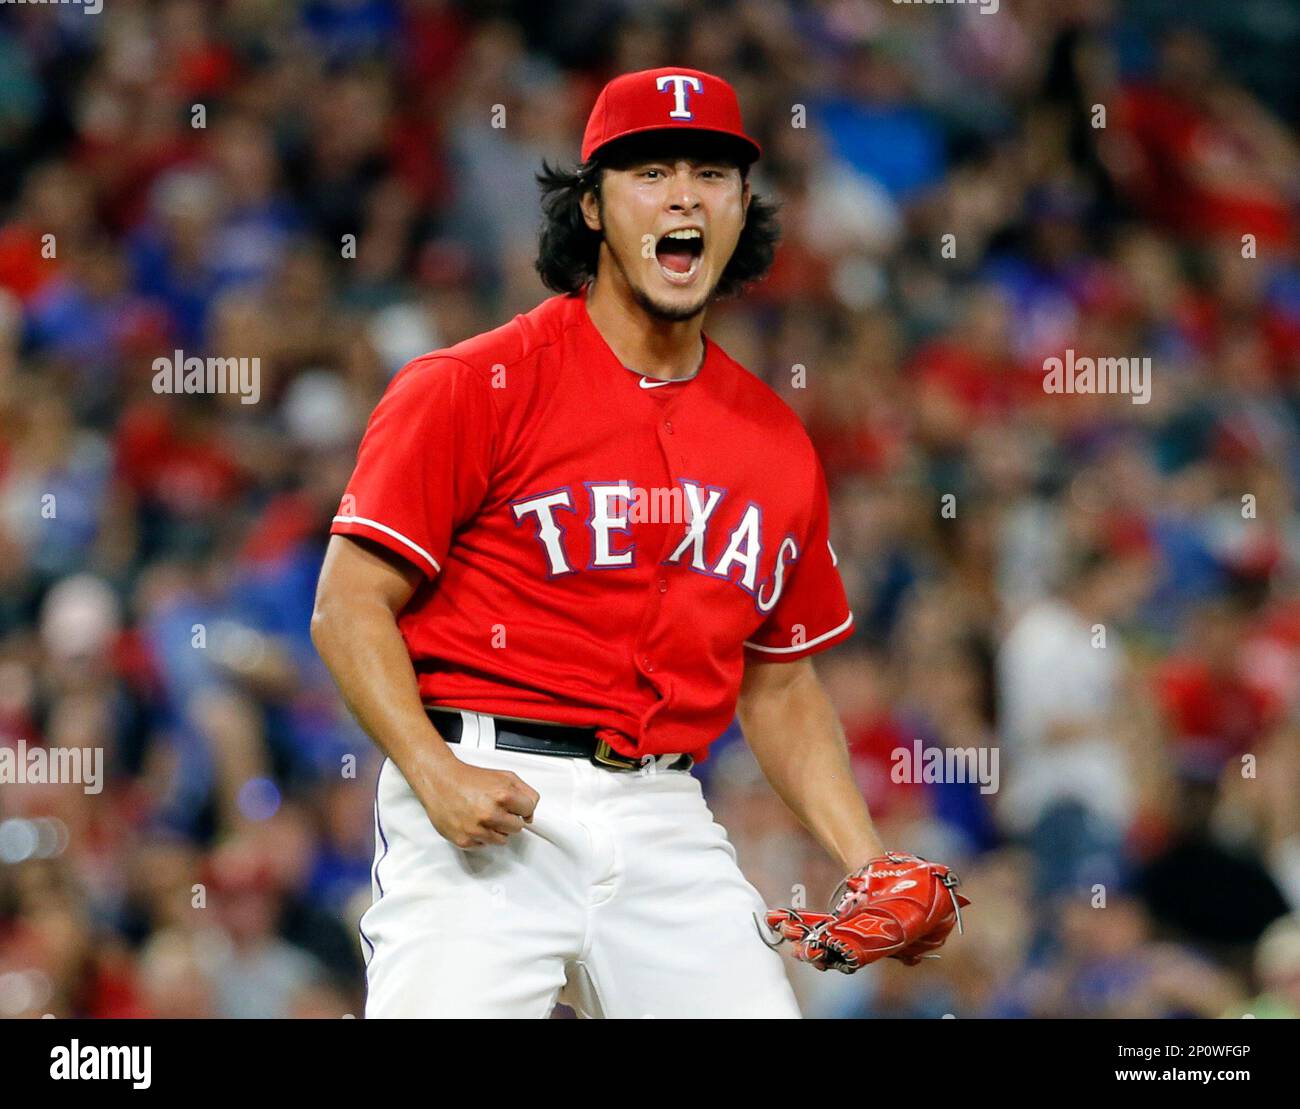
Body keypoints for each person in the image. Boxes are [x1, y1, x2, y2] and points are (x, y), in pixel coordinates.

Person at [312, 67, 963, 1018]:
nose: (685, 195)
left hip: (663, 813)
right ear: (591, 207)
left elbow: (778, 679)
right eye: (650, 171)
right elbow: (347, 603)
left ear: (743, 209)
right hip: (487, 791)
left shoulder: (775, 442)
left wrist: (867, 859)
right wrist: (430, 766)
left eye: (712, 173)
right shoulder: (473, 384)